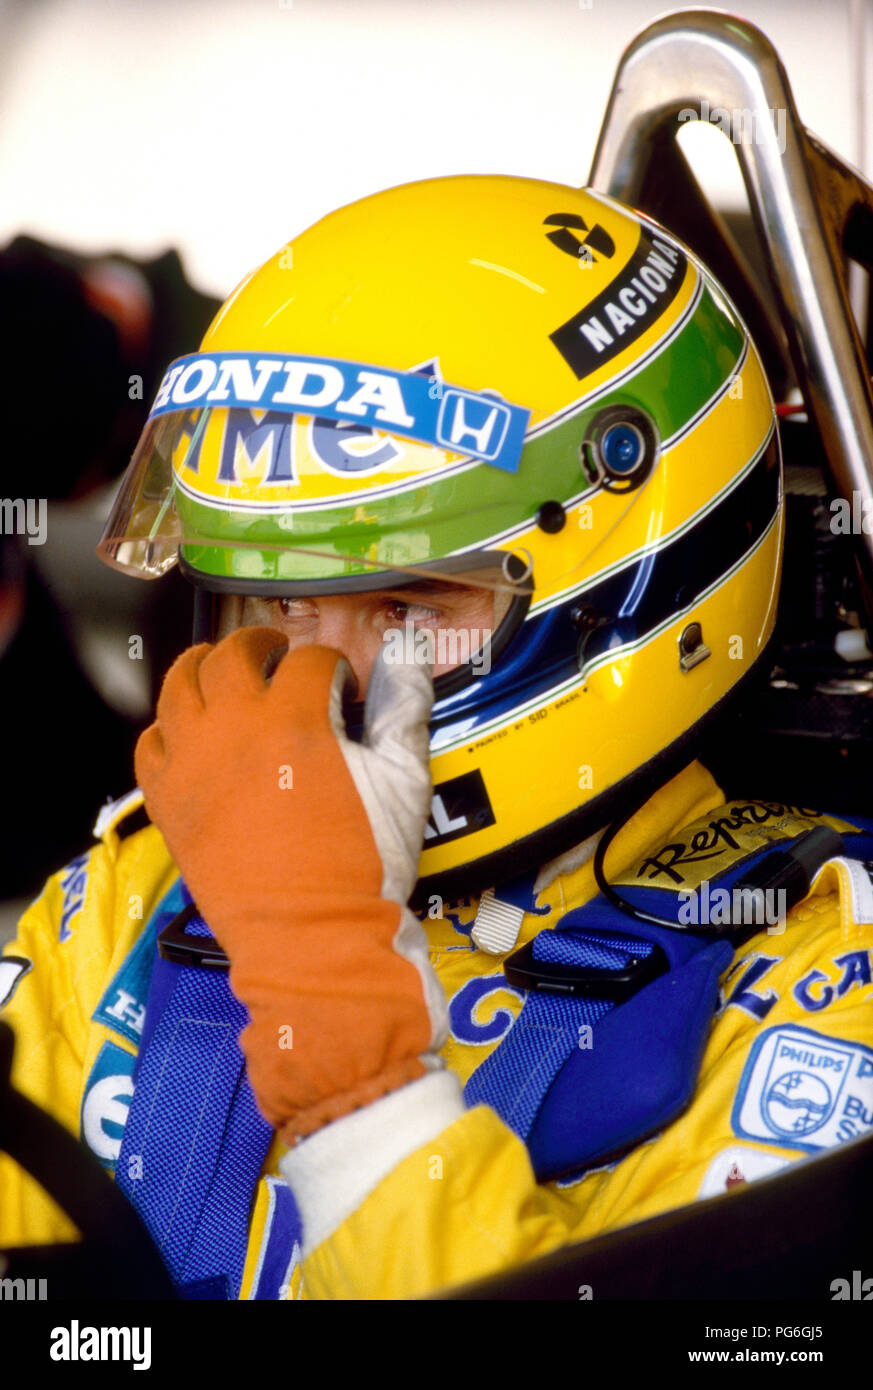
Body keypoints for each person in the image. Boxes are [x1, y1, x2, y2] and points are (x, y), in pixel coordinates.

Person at [2, 174, 872, 1301]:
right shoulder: (134, 899)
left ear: (623, 589)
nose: (325, 681)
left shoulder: (817, 986)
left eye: (409, 611)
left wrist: (343, 1028)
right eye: (283, 604)